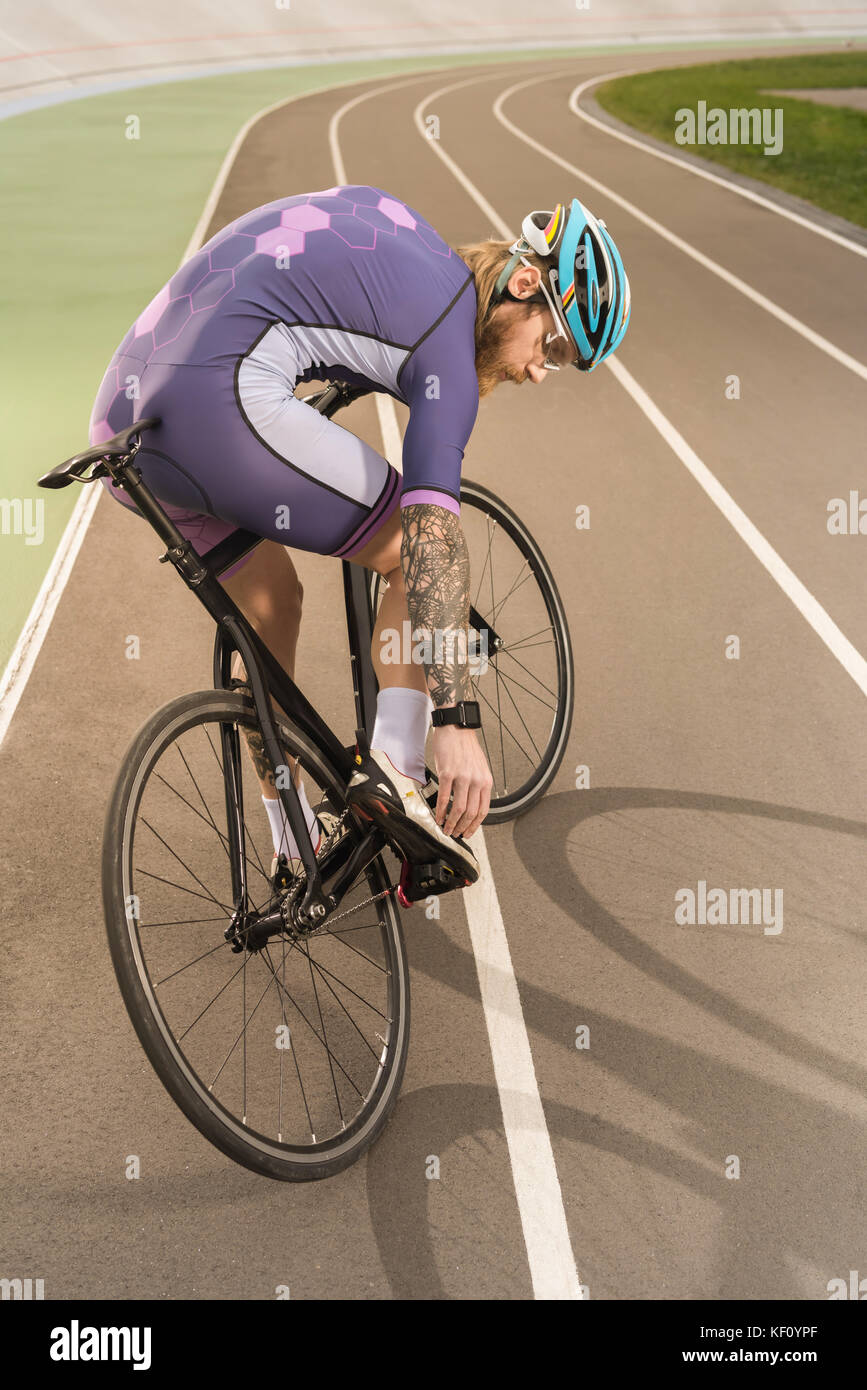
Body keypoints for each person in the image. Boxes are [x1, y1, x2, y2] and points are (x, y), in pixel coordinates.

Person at [88, 186, 630, 890]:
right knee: (414, 549)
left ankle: (292, 842)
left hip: (122, 431)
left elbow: (302, 294)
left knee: (268, 610)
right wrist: (456, 723)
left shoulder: (401, 233)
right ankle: (399, 773)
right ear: (524, 283)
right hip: (220, 403)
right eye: (551, 344)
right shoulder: (446, 329)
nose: (537, 369)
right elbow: (432, 530)